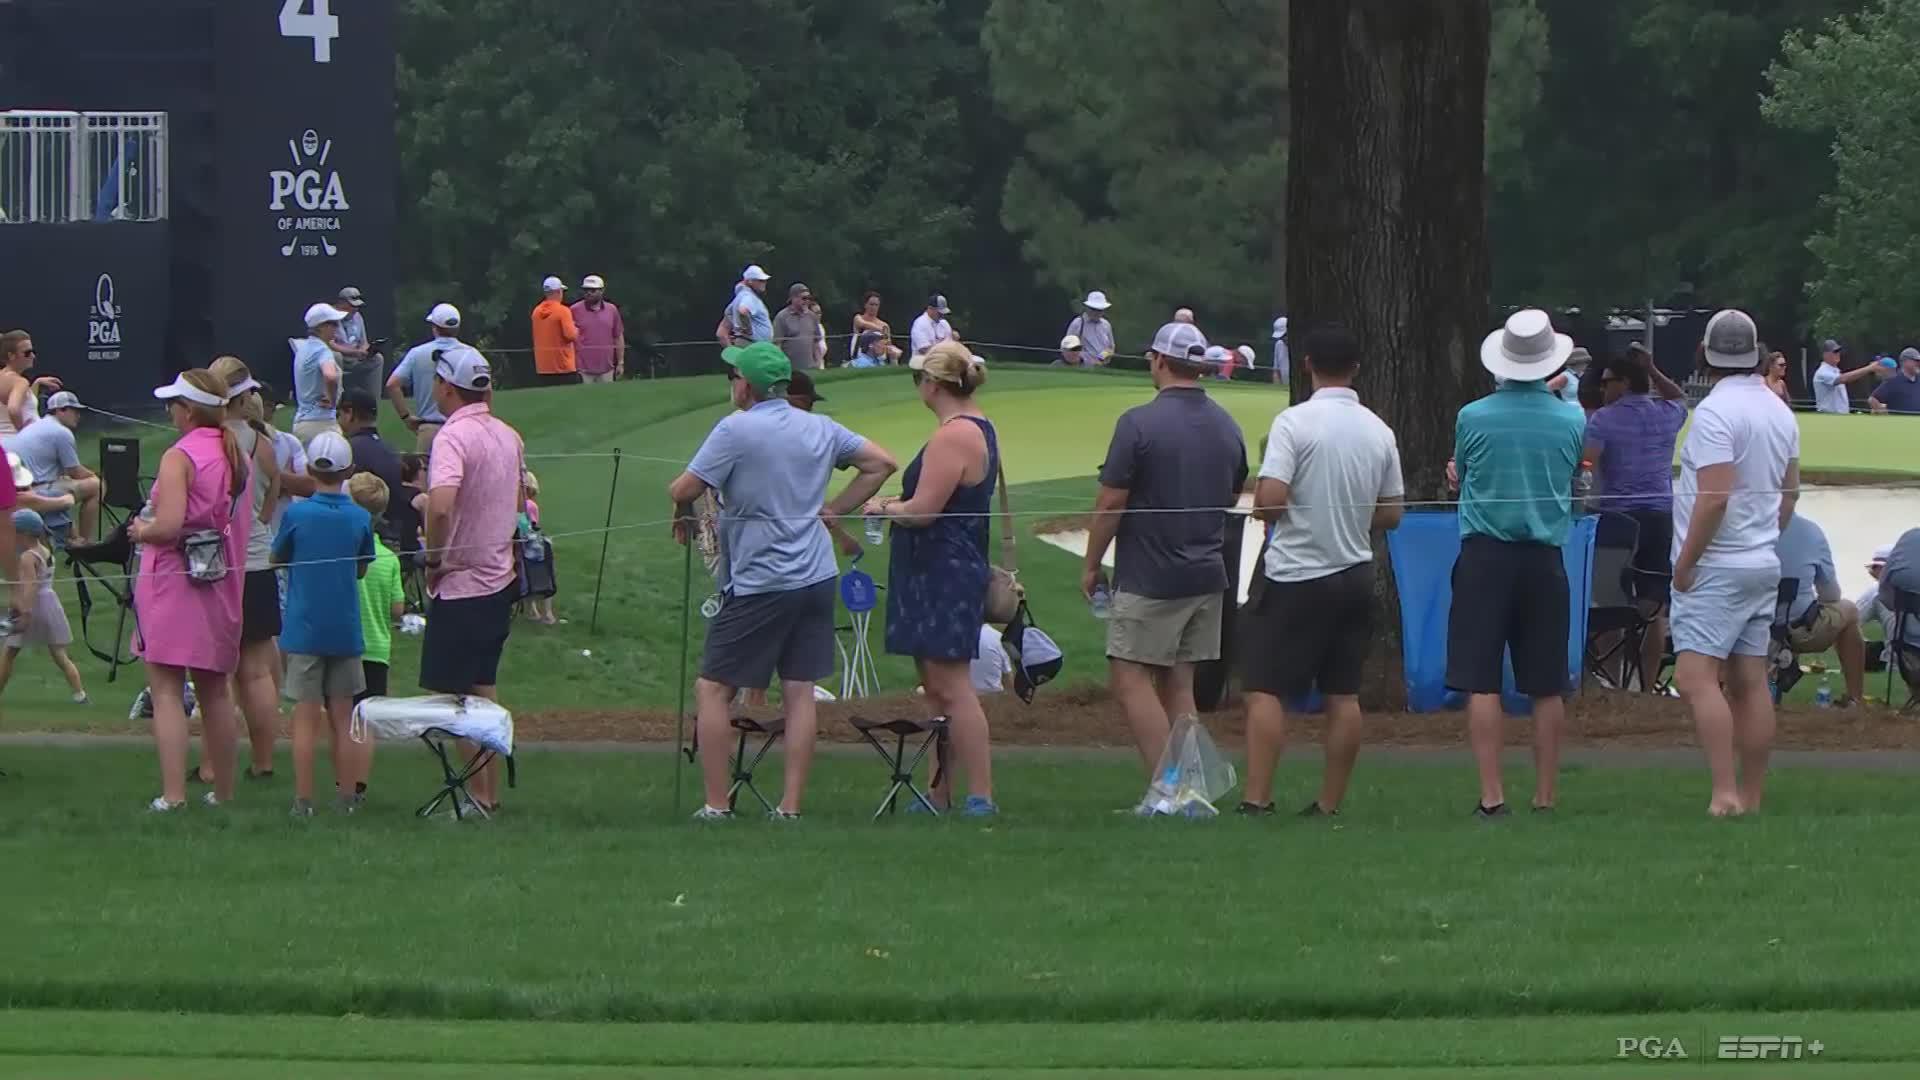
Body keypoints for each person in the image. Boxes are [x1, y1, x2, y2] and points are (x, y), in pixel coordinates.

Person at [668, 341, 896, 820]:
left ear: (746, 385)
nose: (732, 385)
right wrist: (834, 509)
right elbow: (881, 464)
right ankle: (789, 807)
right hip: (815, 576)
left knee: (713, 690)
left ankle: (715, 804)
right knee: (798, 691)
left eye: (734, 378)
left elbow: (684, 488)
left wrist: (681, 507)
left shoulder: (736, 428)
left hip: (760, 580)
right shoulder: (820, 426)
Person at [1239, 326, 1403, 818]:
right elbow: (1392, 512)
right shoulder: (1379, 429)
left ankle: (1257, 797)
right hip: (1353, 572)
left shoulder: (1295, 422)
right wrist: (1349, 519)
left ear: (1307, 363)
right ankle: (1329, 803)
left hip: (1295, 572)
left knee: (1265, 687)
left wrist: (1269, 515)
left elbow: (1270, 498)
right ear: (1356, 367)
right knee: (1342, 691)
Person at [1080, 321, 1247, 794]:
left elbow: (1111, 502)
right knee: (1179, 687)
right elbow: (1232, 493)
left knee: (1129, 674)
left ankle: (1168, 789)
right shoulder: (1226, 424)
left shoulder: (1137, 422)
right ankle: (1192, 787)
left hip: (1151, 575)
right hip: (1206, 573)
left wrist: (1092, 564)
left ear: (1157, 360)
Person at [1451, 309, 1587, 819]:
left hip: (1486, 553)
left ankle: (1492, 794)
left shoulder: (1473, 415)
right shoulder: (1571, 418)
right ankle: (1546, 794)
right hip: (1545, 558)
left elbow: (1464, 473)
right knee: (1546, 682)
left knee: (1482, 678)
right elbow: (1571, 472)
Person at [1670, 309, 1800, 818]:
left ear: (1704, 354)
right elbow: (1789, 495)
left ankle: (1724, 793)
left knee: (1695, 675)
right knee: (1750, 679)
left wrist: (1685, 562)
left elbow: (1714, 496)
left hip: (1717, 565)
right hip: (1761, 559)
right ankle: (1752, 795)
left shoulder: (1714, 415)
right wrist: (1765, 538)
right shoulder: (1779, 411)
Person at [867, 341, 1001, 816]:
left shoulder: (955, 436)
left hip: (943, 568)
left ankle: (980, 795)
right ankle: (938, 792)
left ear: (933, 383)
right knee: (936, 687)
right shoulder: (974, 427)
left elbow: (924, 511)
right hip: (935, 567)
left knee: (953, 686)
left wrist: (883, 507)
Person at [131, 369, 250, 812]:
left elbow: (169, 525)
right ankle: (223, 791)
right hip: (219, 580)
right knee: (215, 689)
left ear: (187, 410)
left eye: (174, 404)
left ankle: (174, 794)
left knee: (165, 689)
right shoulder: (234, 453)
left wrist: (141, 530)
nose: (170, 411)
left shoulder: (179, 456)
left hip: (173, 580)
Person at [419, 345, 525, 812]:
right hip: (499, 577)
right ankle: (487, 793)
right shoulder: (508, 434)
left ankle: (477, 797)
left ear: (446, 386)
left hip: (462, 581)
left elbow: (441, 504)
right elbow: (520, 503)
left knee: (462, 696)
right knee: (483, 689)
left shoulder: (452, 437)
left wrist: (435, 556)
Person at [191, 356, 283, 785]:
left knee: (217, 677)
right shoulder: (261, 443)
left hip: (218, 568)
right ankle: (263, 761)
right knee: (258, 672)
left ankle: (212, 765)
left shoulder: (207, 443)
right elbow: (271, 502)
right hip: (259, 563)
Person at [274, 431, 375, 816]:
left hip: (303, 628)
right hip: (345, 629)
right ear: (349, 470)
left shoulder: (298, 515)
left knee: (305, 716)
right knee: (343, 717)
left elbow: (277, 556)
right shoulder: (360, 516)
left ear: (310, 470)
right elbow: (362, 566)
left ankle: (303, 800)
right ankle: (347, 797)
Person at [1584, 343, 1689, 688]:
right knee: (1653, 607)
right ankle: (1645, 684)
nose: (1603, 389)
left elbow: (1587, 467)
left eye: (1607, 382)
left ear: (1625, 383)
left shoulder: (1602, 420)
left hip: (1617, 520)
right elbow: (1680, 399)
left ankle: (1614, 680)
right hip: (1659, 517)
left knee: (1607, 602)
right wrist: (1653, 368)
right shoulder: (1665, 414)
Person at [348, 471, 404, 797]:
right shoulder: (388, 559)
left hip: (348, 645)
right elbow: (397, 609)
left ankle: (344, 777)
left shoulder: (347, 553)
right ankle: (360, 783)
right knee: (366, 719)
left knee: (344, 717)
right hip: (378, 648)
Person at [1775, 511, 1867, 706]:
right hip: (1796, 631)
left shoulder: (1734, 525)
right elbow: (1831, 595)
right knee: (1848, 610)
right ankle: (1855, 698)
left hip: (1741, 629)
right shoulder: (1810, 531)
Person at [0, 509, 87, 705]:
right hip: (50, 604)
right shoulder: (46, 551)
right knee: (59, 654)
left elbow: (30, 588)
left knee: (8, 652)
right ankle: (80, 694)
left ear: (22, 533)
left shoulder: (27, 558)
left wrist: (24, 612)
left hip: (34, 607)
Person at [11, 391, 102, 544]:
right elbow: (75, 471)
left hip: (22, 492)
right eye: (74, 411)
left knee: (67, 482)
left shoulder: (36, 425)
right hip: (40, 491)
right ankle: (85, 542)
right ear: (60, 410)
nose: (78, 415)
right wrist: (95, 475)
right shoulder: (61, 432)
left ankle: (73, 536)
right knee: (96, 485)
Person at [338, 389, 411, 553]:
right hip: (397, 538)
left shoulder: (348, 450)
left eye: (340, 413)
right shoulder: (390, 449)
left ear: (349, 413)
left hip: (365, 541)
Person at [387, 303, 459, 454]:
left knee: (424, 476)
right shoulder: (470, 354)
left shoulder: (417, 353)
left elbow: (392, 385)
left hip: (429, 430)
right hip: (461, 429)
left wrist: (406, 417)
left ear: (434, 327)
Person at [292, 302, 349, 445]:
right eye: (334, 324)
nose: (337, 328)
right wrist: (332, 398)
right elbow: (330, 376)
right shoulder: (322, 350)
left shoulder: (303, 349)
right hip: (322, 425)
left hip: (302, 424)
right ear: (322, 327)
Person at [0, 329, 61, 442]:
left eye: (32, 351)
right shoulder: (20, 382)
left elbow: (22, 403)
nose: (32, 356)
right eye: (27, 353)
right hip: (17, 445)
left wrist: (36, 384)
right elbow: (13, 409)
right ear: (11, 355)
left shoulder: (6, 378)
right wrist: (23, 434)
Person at [333, 286, 382, 412]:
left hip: (356, 357)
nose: (355, 309)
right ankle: (336, 400)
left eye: (357, 306)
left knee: (377, 359)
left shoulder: (358, 317)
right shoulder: (331, 317)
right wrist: (354, 352)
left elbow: (363, 342)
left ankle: (372, 402)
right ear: (341, 303)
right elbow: (330, 344)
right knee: (335, 356)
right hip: (339, 358)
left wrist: (366, 350)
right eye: (352, 306)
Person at [519, 469, 557, 625]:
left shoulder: (521, 505)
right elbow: (533, 526)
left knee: (526, 574)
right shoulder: (530, 505)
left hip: (524, 546)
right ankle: (547, 613)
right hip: (533, 546)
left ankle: (533, 610)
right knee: (546, 574)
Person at [572, 274, 626, 383]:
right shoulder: (574, 310)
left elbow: (618, 336)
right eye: (586, 290)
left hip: (607, 368)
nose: (588, 293)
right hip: (582, 369)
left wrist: (620, 363)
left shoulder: (612, 310)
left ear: (601, 291)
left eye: (592, 290)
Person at [531, 276, 580, 386]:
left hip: (543, 367)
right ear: (558, 292)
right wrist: (576, 330)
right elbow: (570, 335)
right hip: (564, 366)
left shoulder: (536, 311)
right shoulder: (563, 311)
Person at [1812, 339, 1877, 414]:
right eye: (1835, 352)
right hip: (1828, 416)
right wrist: (1869, 368)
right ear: (1825, 354)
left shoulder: (1835, 371)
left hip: (1838, 416)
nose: (1838, 354)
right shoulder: (1822, 371)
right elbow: (1843, 379)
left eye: (1838, 351)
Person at [772, 283, 823, 373]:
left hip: (811, 369)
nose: (807, 301)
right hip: (790, 370)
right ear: (793, 298)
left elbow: (816, 343)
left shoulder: (812, 316)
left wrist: (818, 363)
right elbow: (777, 346)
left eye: (809, 298)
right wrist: (780, 367)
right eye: (803, 298)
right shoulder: (782, 317)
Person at [719, 264, 774, 346]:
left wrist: (731, 353)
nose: (764, 283)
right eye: (760, 280)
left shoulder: (737, 299)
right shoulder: (748, 296)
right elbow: (743, 311)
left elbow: (721, 333)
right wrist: (748, 329)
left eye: (764, 280)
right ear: (750, 281)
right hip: (753, 346)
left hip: (747, 344)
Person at [1063, 291, 1116, 366]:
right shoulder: (1077, 324)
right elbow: (1067, 347)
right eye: (1094, 309)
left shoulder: (1106, 325)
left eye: (1100, 310)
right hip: (1081, 368)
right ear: (1087, 308)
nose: (1097, 312)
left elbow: (1110, 347)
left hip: (1102, 368)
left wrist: (1100, 359)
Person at [851, 292, 900, 362]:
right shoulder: (858, 318)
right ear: (865, 305)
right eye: (871, 304)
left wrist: (895, 352)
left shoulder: (884, 325)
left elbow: (888, 344)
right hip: (859, 358)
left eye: (876, 305)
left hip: (878, 360)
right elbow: (863, 324)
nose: (873, 307)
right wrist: (881, 330)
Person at [1869, 347, 1920, 415]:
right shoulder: (1894, 380)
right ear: (1905, 361)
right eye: (1916, 361)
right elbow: (1872, 400)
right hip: (1900, 424)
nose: (1918, 363)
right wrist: (1885, 416)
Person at [1271, 316, 1291, 385]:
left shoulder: (1303, 345)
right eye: (1281, 337)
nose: (1283, 339)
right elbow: (1276, 371)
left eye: (1284, 335)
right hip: (1283, 389)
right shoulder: (1278, 344)